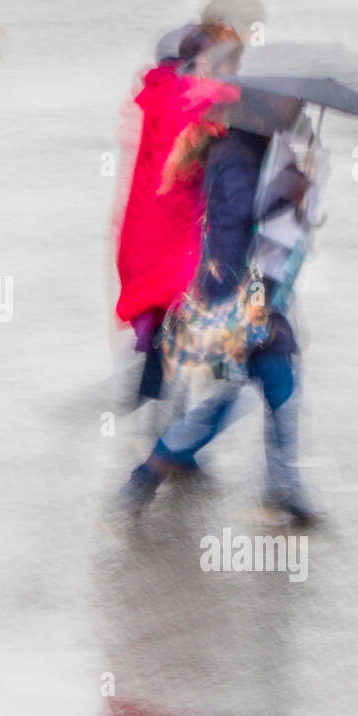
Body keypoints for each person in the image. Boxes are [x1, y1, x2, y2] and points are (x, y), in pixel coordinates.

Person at [120, 88, 316, 526]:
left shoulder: (257, 147)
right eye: (292, 101)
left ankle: (284, 488)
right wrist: (289, 193)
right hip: (241, 297)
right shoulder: (237, 155)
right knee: (236, 395)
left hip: (258, 293)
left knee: (279, 383)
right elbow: (235, 228)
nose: (297, 107)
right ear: (267, 105)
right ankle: (147, 474)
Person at [114, 0, 263, 407]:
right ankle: (164, 442)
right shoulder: (201, 100)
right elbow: (206, 122)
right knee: (177, 317)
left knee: (161, 318)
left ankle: (152, 409)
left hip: (146, 224)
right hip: (177, 229)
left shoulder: (161, 92)